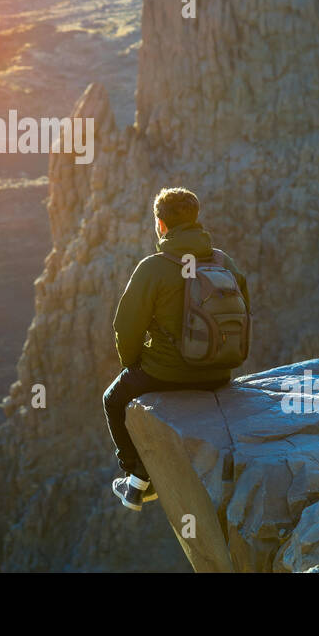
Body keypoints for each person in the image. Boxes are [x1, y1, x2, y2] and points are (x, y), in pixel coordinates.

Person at [104, 187, 249, 510]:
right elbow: (246, 313)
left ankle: (134, 481)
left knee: (113, 400)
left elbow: (125, 328)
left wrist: (134, 366)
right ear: (196, 219)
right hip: (219, 374)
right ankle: (140, 480)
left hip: (164, 374)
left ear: (161, 225)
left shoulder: (154, 267)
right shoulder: (224, 262)